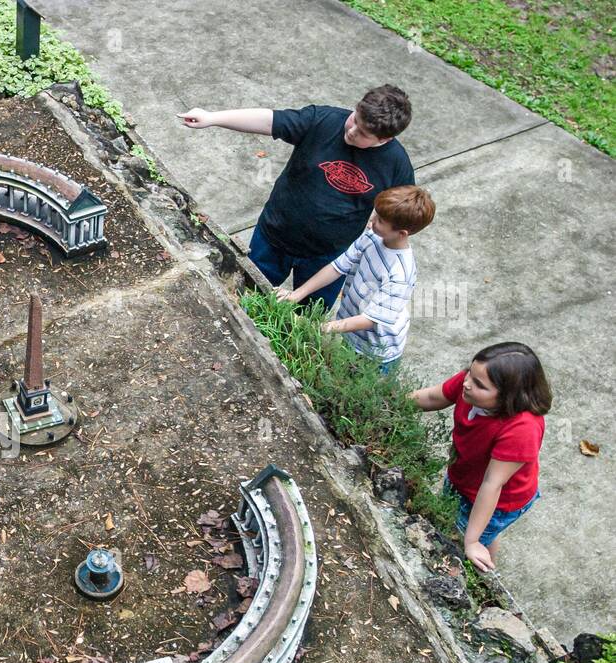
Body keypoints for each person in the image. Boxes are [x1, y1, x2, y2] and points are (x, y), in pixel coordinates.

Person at [182, 85, 416, 311]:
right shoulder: (323, 120)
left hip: (329, 257)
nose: (352, 130)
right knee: (247, 294)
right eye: (355, 118)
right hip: (273, 236)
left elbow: (405, 210)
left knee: (307, 314)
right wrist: (212, 118)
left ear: (384, 140)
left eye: (363, 133)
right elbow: (270, 121)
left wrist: (380, 221)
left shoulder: (396, 165)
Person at [409, 343, 552, 572]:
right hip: (464, 477)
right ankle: (487, 559)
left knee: (458, 541)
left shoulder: (522, 429)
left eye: (479, 385)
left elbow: (492, 484)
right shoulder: (470, 386)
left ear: (508, 396)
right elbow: (433, 397)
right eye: (470, 373)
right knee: (484, 532)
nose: (466, 383)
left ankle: (480, 569)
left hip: (498, 501)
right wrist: (394, 402)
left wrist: (472, 541)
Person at [278, 185, 435, 374]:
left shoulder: (400, 274)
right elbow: (338, 267)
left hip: (376, 351)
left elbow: (371, 319)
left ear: (402, 233)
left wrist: (322, 327)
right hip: (351, 332)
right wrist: (297, 294)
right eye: (375, 214)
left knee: (360, 387)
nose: (371, 221)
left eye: (380, 220)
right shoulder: (372, 236)